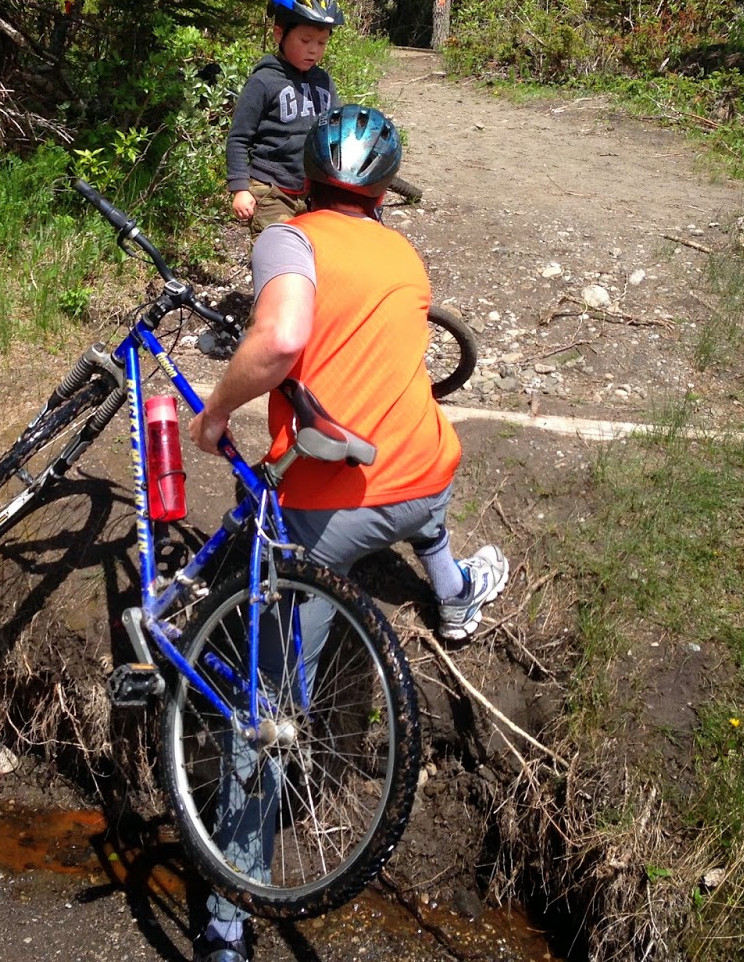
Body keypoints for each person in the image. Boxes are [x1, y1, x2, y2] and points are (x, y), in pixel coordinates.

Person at [188, 104, 509, 962]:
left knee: (267, 702)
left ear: (303, 178)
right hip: (425, 477)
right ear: (380, 191)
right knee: (423, 502)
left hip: (331, 508)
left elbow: (284, 337)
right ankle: (456, 601)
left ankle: (227, 918)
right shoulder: (402, 252)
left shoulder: (291, 242)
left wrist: (219, 411)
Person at [225, 0, 342, 235]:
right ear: (279, 33)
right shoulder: (264, 81)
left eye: (322, 43)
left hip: (313, 189)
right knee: (278, 255)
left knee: (315, 253)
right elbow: (238, 138)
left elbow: (336, 131)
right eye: (305, 40)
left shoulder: (323, 82)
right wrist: (240, 188)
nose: (314, 50)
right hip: (270, 189)